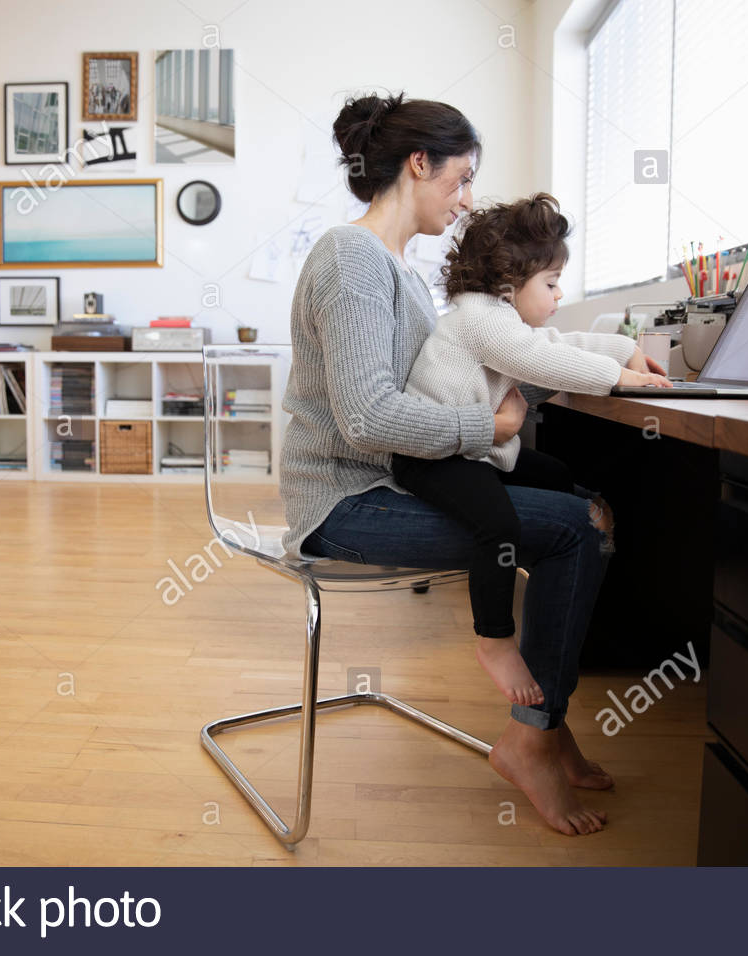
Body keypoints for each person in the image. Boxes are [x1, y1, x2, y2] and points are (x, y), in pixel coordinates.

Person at [280, 92, 616, 836]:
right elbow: (368, 417)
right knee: (576, 529)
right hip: (345, 501)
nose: (467, 201)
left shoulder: (396, 270)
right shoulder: (352, 260)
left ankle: (546, 727)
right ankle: (533, 737)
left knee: (583, 508)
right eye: (461, 179)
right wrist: (488, 425)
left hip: (389, 480)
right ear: (418, 163)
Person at [390, 195, 670, 708]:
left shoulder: (495, 316)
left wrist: (623, 349)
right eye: (551, 283)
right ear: (507, 283)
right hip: (433, 456)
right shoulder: (480, 320)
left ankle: (553, 576)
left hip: (472, 450)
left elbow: (554, 342)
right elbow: (541, 361)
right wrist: (623, 377)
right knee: (497, 522)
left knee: (556, 472)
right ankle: (494, 639)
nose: (559, 295)